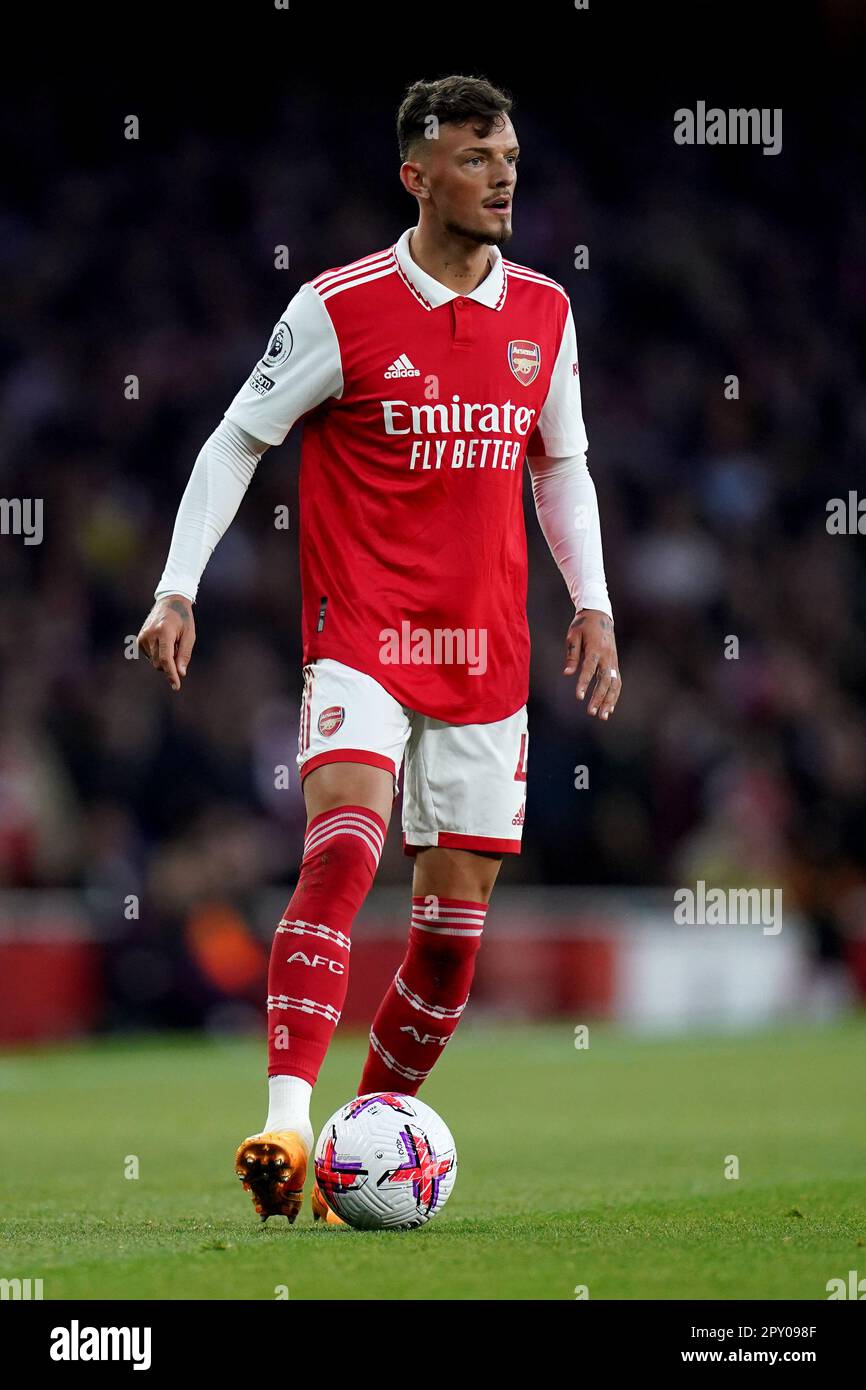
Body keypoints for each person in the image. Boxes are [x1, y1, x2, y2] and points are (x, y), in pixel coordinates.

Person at [137, 74, 620, 1226]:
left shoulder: (544, 312)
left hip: (486, 656)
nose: (501, 174)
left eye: (506, 153)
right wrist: (175, 586)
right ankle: (287, 1123)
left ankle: (358, 1154)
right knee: (344, 844)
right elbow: (235, 438)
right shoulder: (338, 305)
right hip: (361, 632)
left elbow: (561, 465)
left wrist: (591, 603)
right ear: (415, 176)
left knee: (447, 949)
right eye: (473, 156)